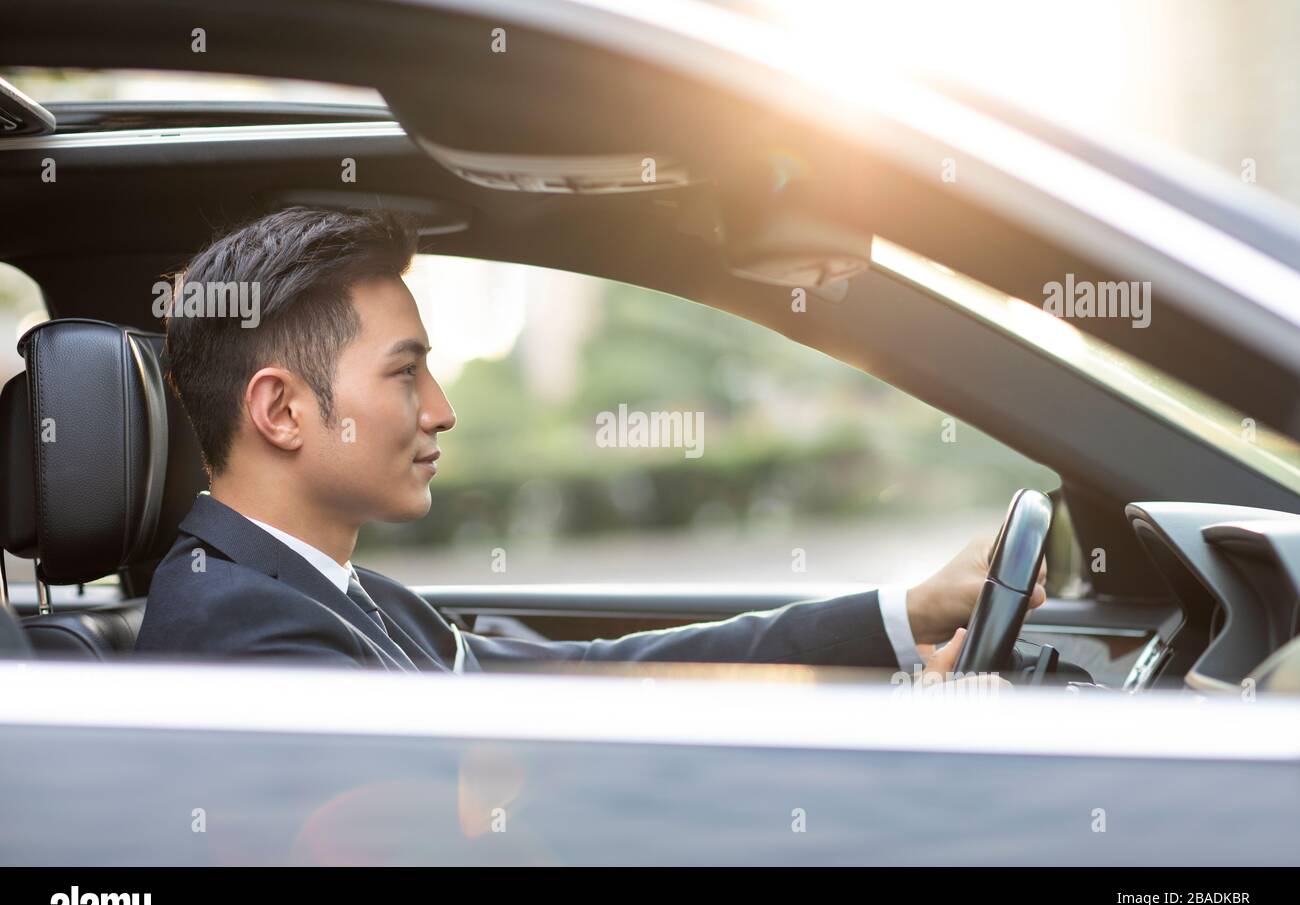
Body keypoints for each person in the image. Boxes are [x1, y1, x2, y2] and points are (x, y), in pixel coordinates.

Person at [136, 208, 1044, 676]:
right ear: (283, 412)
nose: (442, 410)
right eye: (405, 372)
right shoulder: (244, 639)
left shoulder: (345, 594)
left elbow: (591, 674)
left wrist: (907, 613)